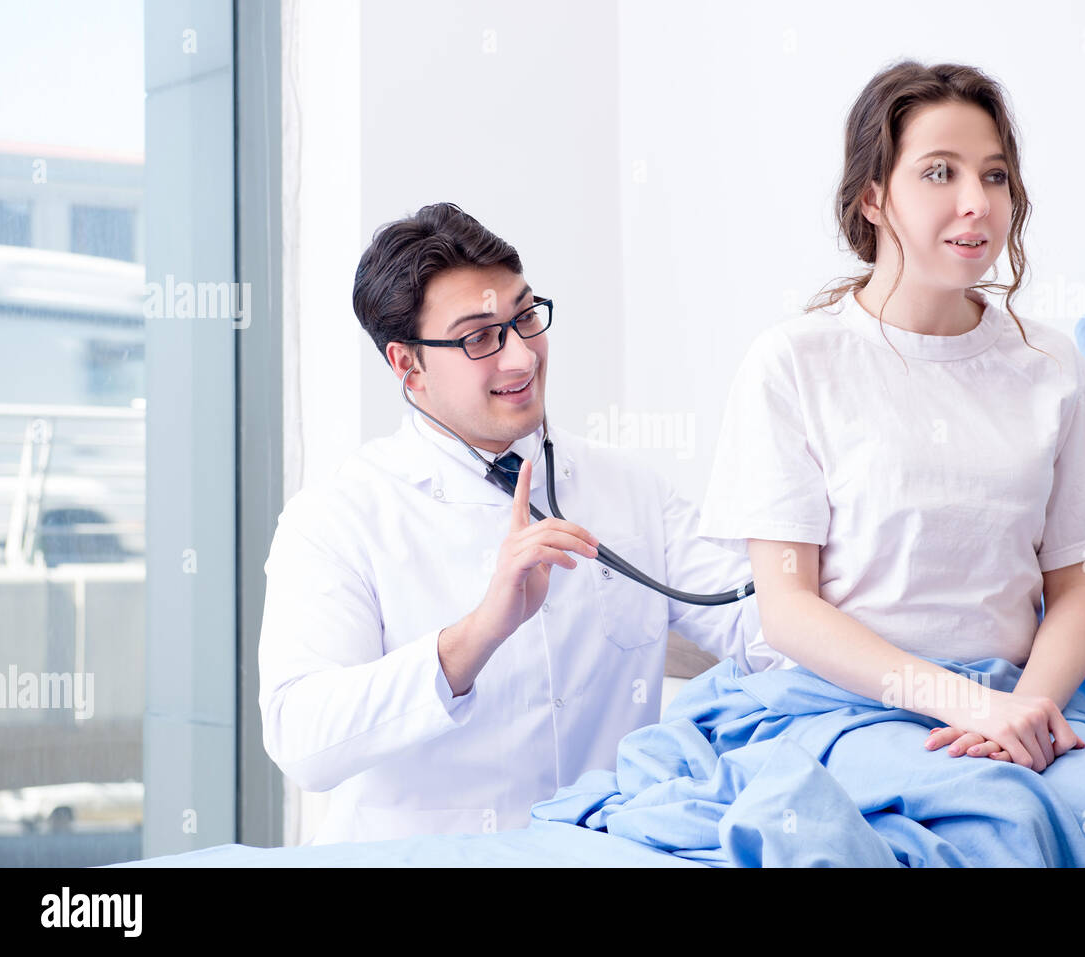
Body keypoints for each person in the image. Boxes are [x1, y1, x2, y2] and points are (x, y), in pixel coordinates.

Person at [695, 60, 1085, 863]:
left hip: (1018, 696)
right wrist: (959, 704)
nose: (977, 202)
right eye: (939, 172)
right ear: (872, 197)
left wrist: (1022, 709)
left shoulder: (1051, 367)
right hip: (850, 703)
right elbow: (787, 607)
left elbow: (1078, 592)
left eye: (994, 175)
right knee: (1003, 824)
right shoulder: (794, 362)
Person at [257, 203, 783, 845]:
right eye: (479, 337)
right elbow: (303, 741)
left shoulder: (630, 488)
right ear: (407, 365)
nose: (521, 359)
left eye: (525, 317)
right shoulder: (338, 518)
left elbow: (767, 625)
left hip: (602, 857)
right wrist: (480, 633)